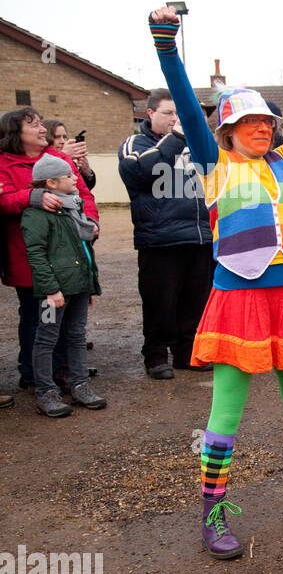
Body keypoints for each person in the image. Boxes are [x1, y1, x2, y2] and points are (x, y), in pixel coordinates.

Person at [146, 3, 283, 562]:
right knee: (226, 412)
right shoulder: (212, 163)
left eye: (267, 124)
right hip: (239, 297)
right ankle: (213, 511)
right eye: (250, 125)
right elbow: (191, 113)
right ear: (227, 131)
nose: (262, 131)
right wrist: (168, 45)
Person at [118, 88, 214, 377]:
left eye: (179, 113)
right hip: (161, 239)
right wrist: (177, 137)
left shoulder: (197, 145)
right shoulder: (135, 143)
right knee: (161, 300)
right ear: (150, 114)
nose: (175, 118)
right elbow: (141, 173)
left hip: (200, 236)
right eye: (169, 113)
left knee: (196, 300)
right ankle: (156, 355)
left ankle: (188, 352)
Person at [1, 108, 96, 394]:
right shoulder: (4, 164)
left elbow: (84, 195)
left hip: (69, 257)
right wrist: (32, 196)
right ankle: (34, 376)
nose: (43, 129)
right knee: (36, 317)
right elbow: (3, 200)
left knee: (66, 320)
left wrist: (91, 221)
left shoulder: (58, 160)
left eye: (42, 124)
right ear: (16, 134)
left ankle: (62, 371)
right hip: (30, 258)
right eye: (35, 125)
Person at [21, 154, 106, 416]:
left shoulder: (73, 208)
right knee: (46, 337)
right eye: (68, 175)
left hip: (78, 286)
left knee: (77, 335)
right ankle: (45, 392)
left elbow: (82, 249)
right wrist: (50, 289)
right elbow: (35, 253)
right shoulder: (37, 214)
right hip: (52, 292)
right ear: (51, 183)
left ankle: (80, 384)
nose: (74, 178)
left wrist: (88, 283)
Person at [45, 121, 96, 189]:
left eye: (64, 137)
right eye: (57, 137)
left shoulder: (71, 162)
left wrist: (88, 174)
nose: (62, 141)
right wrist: (63, 156)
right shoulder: (39, 161)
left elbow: (81, 190)